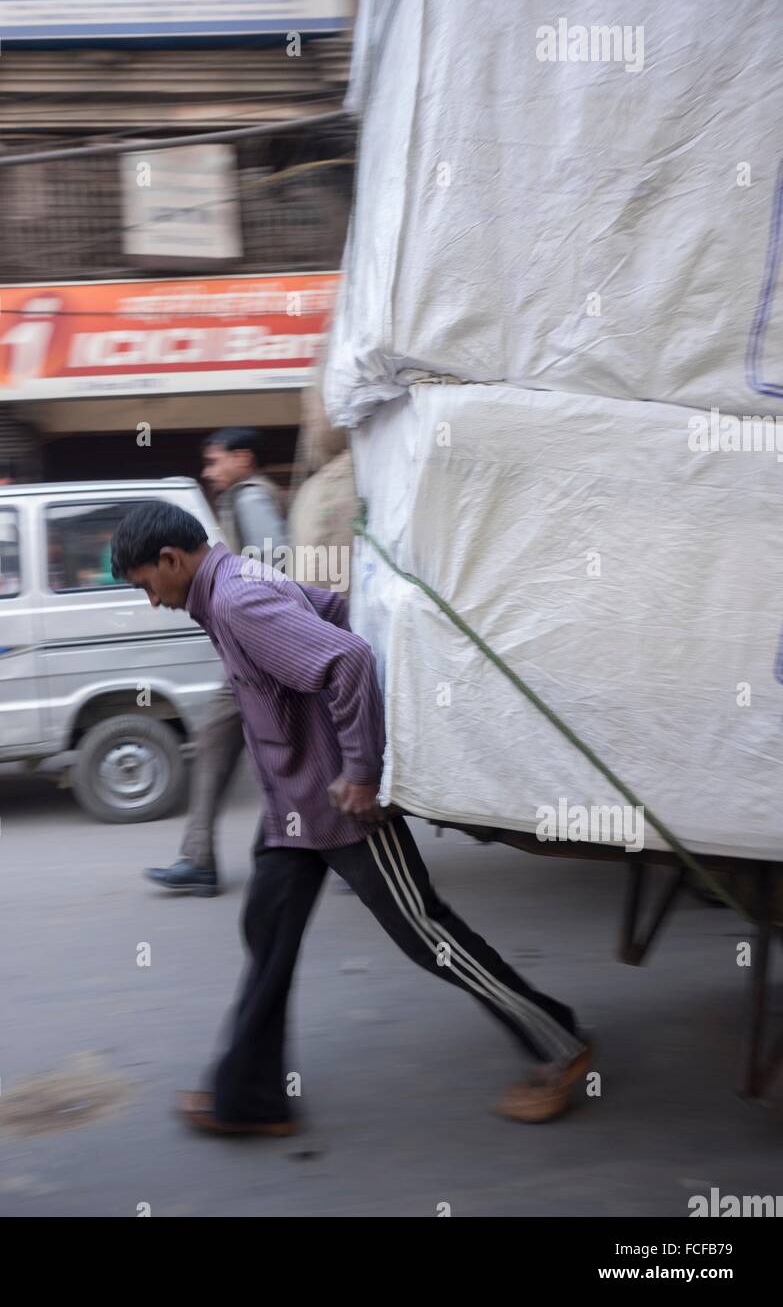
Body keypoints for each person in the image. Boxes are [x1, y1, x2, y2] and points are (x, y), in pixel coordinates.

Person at [111, 502, 593, 1130]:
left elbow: (348, 658)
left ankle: (560, 1043)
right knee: (268, 939)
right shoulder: (238, 585)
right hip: (292, 811)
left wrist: (363, 772)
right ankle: (250, 1097)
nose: (153, 601)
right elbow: (336, 610)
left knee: (429, 937)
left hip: (338, 808)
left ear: (171, 560)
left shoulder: (235, 600)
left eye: (148, 585)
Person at [143, 427, 288, 898]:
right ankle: (199, 858)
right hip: (259, 645)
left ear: (243, 458)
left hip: (263, 645)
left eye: (215, 461)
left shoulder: (251, 498)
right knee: (222, 743)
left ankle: (352, 840)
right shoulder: (247, 497)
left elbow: (274, 566)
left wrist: (249, 627)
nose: (209, 472)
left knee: (265, 749)